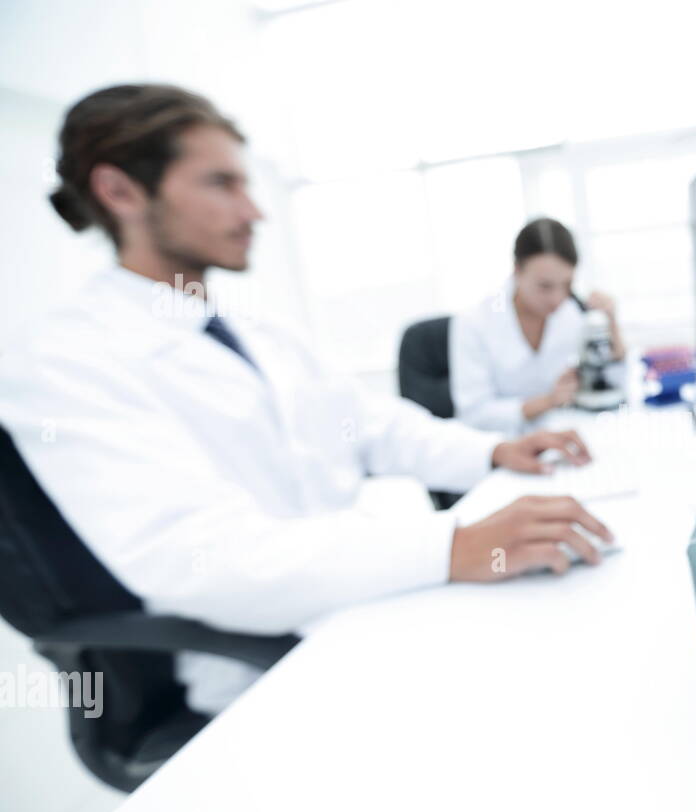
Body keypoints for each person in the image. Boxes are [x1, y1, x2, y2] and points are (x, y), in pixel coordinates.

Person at [0, 84, 614, 716]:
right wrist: (449, 545)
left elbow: (369, 424)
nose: (253, 211)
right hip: (259, 665)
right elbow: (205, 559)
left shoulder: (255, 330)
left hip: (362, 601)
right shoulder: (64, 358)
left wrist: (495, 448)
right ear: (121, 192)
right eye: (222, 184)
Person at [450, 218, 626, 433]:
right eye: (545, 286)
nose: (557, 298)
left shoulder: (574, 313)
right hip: (506, 446)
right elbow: (474, 416)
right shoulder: (474, 323)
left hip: (567, 434)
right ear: (517, 270)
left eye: (567, 285)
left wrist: (611, 323)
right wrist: (548, 400)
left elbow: (616, 381)